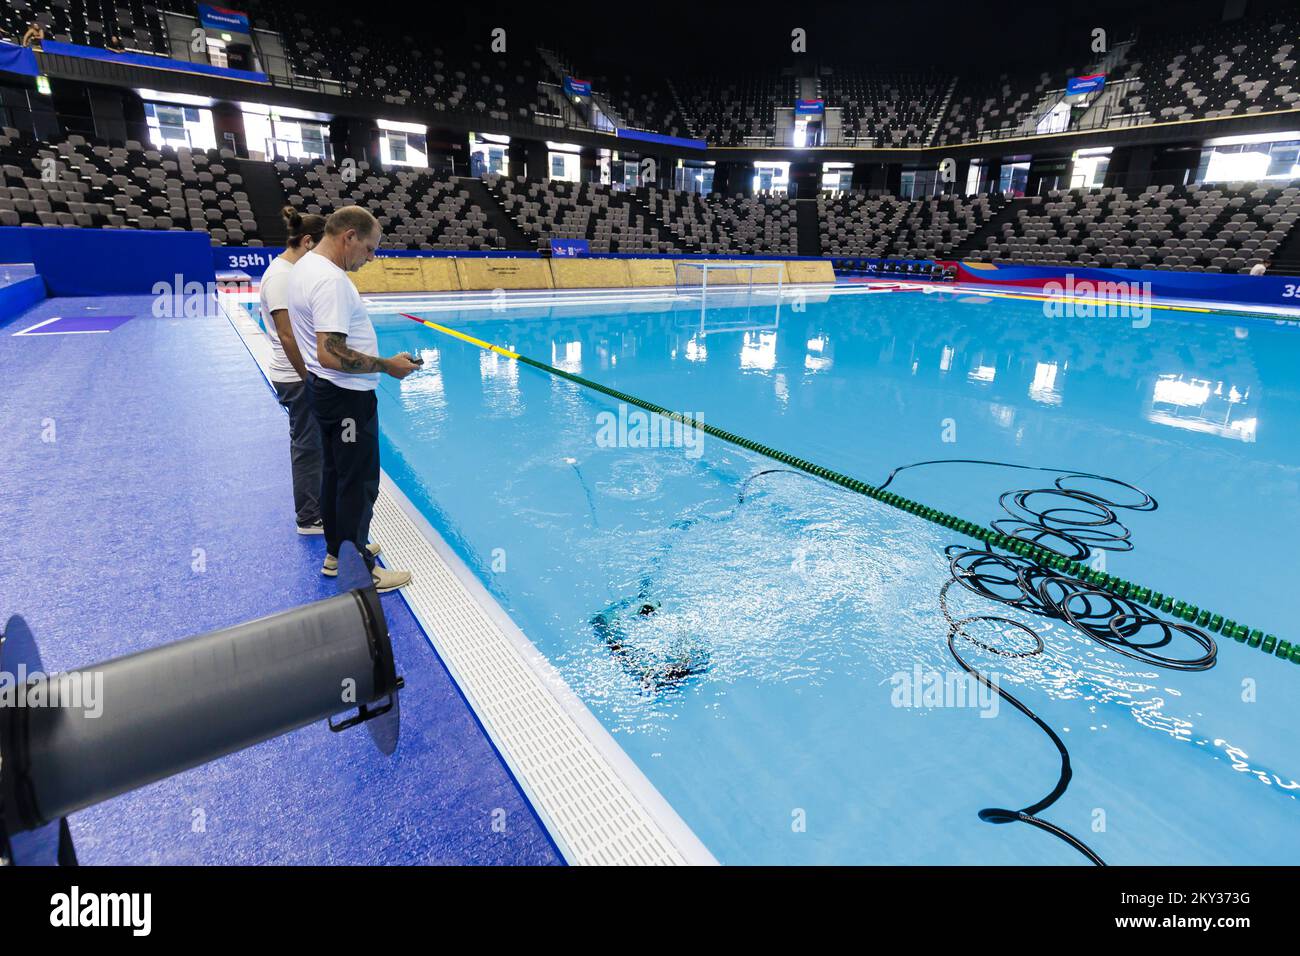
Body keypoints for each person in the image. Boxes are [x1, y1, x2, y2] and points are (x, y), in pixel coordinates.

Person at [286, 205, 419, 592]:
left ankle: (339, 550)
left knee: (335, 475)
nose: (371, 257)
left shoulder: (304, 268)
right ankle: (358, 568)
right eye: (370, 248)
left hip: (324, 390)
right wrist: (387, 365)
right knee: (357, 483)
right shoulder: (331, 281)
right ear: (349, 237)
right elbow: (331, 351)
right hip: (345, 399)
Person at [259, 206, 327, 534]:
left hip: (299, 373)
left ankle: (318, 505)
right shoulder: (282, 276)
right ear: (308, 242)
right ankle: (310, 517)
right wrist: (309, 379)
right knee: (307, 446)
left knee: (312, 443)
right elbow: (286, 334)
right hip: (295, 376)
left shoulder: (292, 272)